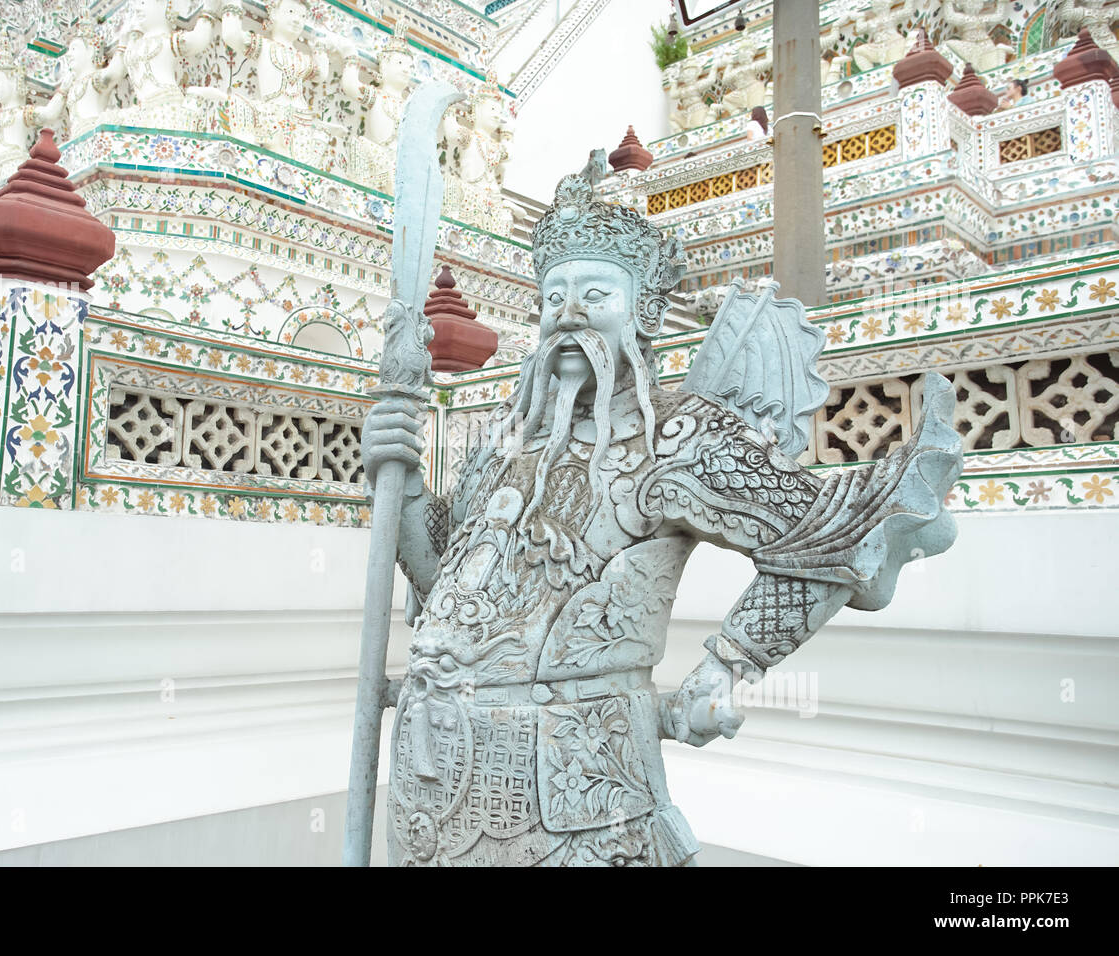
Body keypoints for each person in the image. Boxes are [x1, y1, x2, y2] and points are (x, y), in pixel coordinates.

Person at [361, 155, 964, 867]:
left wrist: (729, 665)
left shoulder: (678, 435)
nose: (570, 313)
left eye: (595, 294)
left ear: (643, 311)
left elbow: (829, 537)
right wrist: (393, 483)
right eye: (554, 298)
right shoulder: (501, 443)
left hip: (581, 793)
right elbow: (437, 581)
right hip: (436, 777)